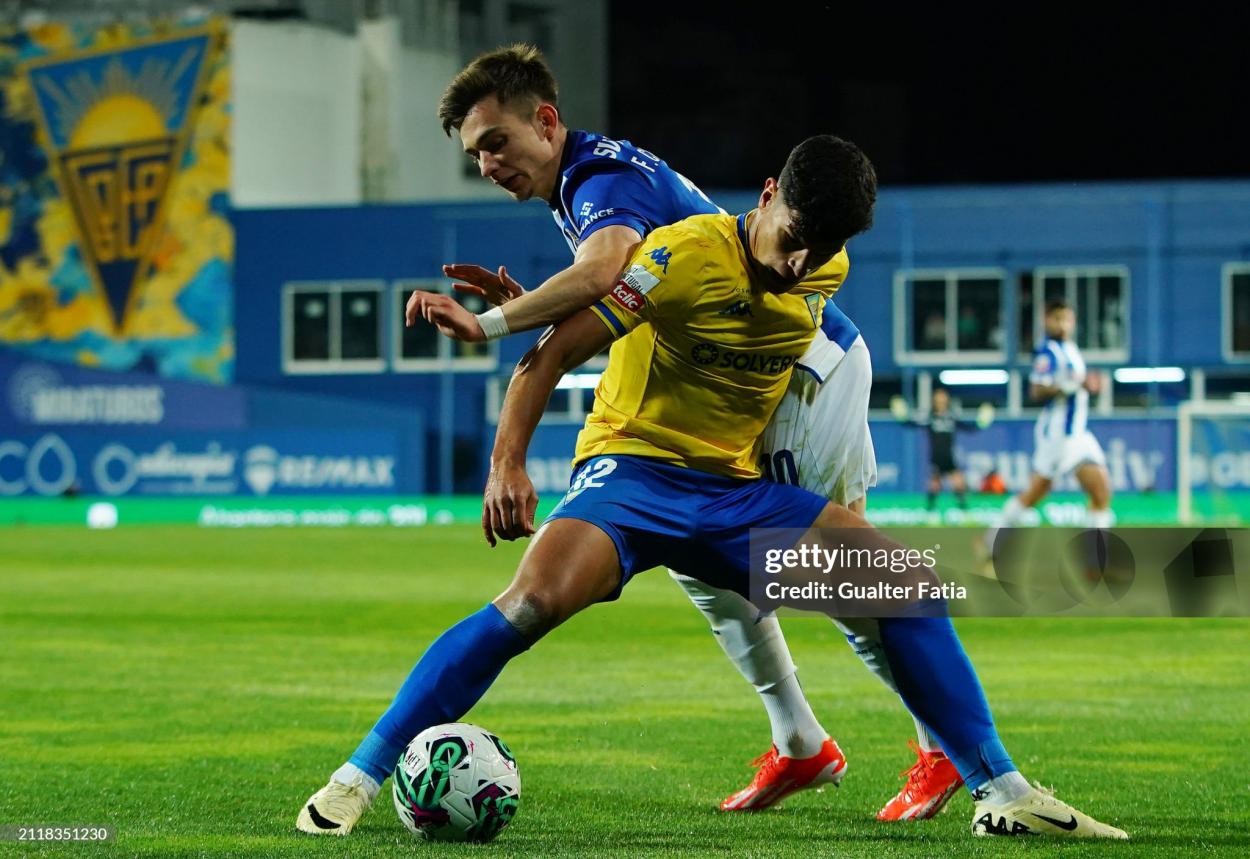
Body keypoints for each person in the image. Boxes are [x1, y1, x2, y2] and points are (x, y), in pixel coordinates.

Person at [298, 136, 1126, 840]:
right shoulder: (682, 253)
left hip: (732, 490)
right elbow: (552, 353)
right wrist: (507, 460)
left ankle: (1002, 793)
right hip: (632, 473)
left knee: (901, 582)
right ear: (767, 196)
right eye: (795, 235)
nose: (802, 261)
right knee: (528, 604)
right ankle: (357, 776)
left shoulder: (821, 264)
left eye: (824, 245)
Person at [400, 43, 958, 818]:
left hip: (805, 368)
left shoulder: (601, 179)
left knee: (840, 571)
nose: (488, 164)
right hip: (730, 386)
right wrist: (541, 302)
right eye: (475, 154)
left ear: (547, 122)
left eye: (496, 142)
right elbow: (629, 296)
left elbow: (606, 271)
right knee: (709, 567)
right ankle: (800, 742)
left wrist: (491, 321)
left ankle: (943, 749)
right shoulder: (586, 182)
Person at [987, 301, 1113, 539]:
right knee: (1036, 491)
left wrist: (1090, 386)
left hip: (1078, 433)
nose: (1062, 324)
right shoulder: (1048, 351)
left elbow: (1079, 386)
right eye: (1057, 319)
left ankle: (1098, 558)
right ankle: (991, 539)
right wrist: (1074, 385)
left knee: (1101, 490)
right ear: (1047, 321)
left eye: (1067, 319)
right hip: (1058, 433)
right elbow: (1037, 391)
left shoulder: (1071, 349)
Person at [904, 388, 990, 512]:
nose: (941, 400)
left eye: (943, 397)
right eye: (938, 397)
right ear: (934, 400)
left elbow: (968, 428)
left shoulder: (951, 417)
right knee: (934, 485)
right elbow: (913, 424)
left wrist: (981, 423)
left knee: (959, 483)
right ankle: (930, 511)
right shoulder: (930, 417)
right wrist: (902, 417)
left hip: (949, 456)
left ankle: (963, 510)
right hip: (936, 455)